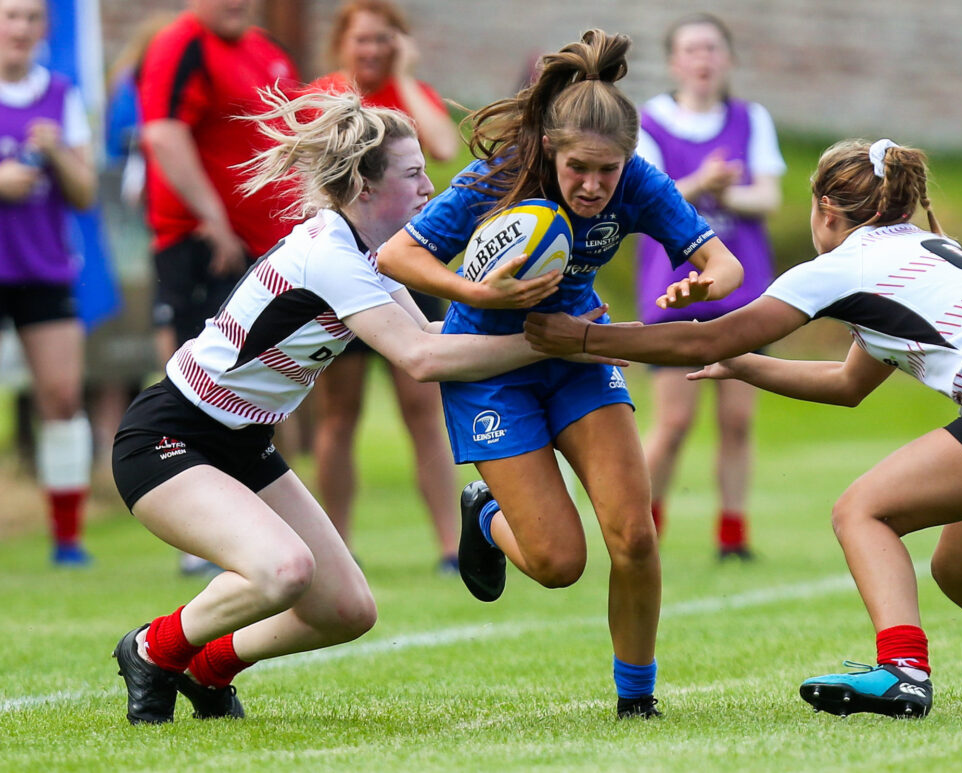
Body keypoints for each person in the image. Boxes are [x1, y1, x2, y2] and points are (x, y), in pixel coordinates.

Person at [525, 138, 962, 718]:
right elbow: (846, 384)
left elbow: (708, 337)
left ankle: (904, 671)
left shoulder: (841, 266)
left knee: (862, 511)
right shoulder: (925, 249)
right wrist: (744, 364)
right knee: (960, 570)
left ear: (826, 210)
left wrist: (584, 337)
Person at [110, 88, 619, 725]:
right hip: (169, 440)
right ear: (363, 184)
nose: (429, 187)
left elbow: (432, 334)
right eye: (413, 174)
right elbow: (421, 359)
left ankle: (209, 667)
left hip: (242, 446)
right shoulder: (330, 256)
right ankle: (151, 650)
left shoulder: (369, 254)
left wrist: (555, 331)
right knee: (283, 571)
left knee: (347, 611)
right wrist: (559, 345)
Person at [376, 29, 745, 719]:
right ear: (550, 148)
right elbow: (397, 255)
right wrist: (478, 293)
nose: (594, 185)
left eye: (609, 170)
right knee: (557, 563)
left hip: (576, 354)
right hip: (489, 370)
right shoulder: (503, 175)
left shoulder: (638, 182)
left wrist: (702, 283)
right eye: (579, 168)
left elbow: (724, 264)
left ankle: (636, 700)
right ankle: (486, 514)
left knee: (634, 535)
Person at [137, 0, 300, 577]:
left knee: (259, 390)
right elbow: (163, 133)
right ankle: (199, 535)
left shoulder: (264, 51)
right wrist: (214, 217)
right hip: (205, 245)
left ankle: (259, 525)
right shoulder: (181, 42)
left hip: (265, 252)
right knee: (202, 388)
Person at [309, 0, 460, 569]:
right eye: (363, 39)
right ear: (342, 43)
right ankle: (338, 547)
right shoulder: (327, 97)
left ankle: (451, 546)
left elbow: (445, 147)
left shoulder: (409, 94)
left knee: (424, 407)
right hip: (346, 269)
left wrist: (405, 76)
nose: (372, 50)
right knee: (339, 412)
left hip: (406, 261)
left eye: (384, 39)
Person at [634, 13, 784, 557]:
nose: (703, 59)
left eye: (713, 48)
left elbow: (767, 196)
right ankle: (643, 531)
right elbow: (647, 198)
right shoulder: (648, 123)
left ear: (729, 59)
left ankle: (733, 537)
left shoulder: (750, 118)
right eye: (692, 49)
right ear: (674, 62)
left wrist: (722, 193)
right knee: (674, 422)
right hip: (675, 291)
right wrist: (704, 182)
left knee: (738, 420)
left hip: (743, 293)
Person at [0, 0, 98, 566]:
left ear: (45, 27)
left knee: (62, 397)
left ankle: (67, 539)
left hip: (43, 267)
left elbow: (85, 194)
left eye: (31, 17)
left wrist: (57, 152)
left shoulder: (61, 95)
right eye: (10, 15)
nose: (20, 28)